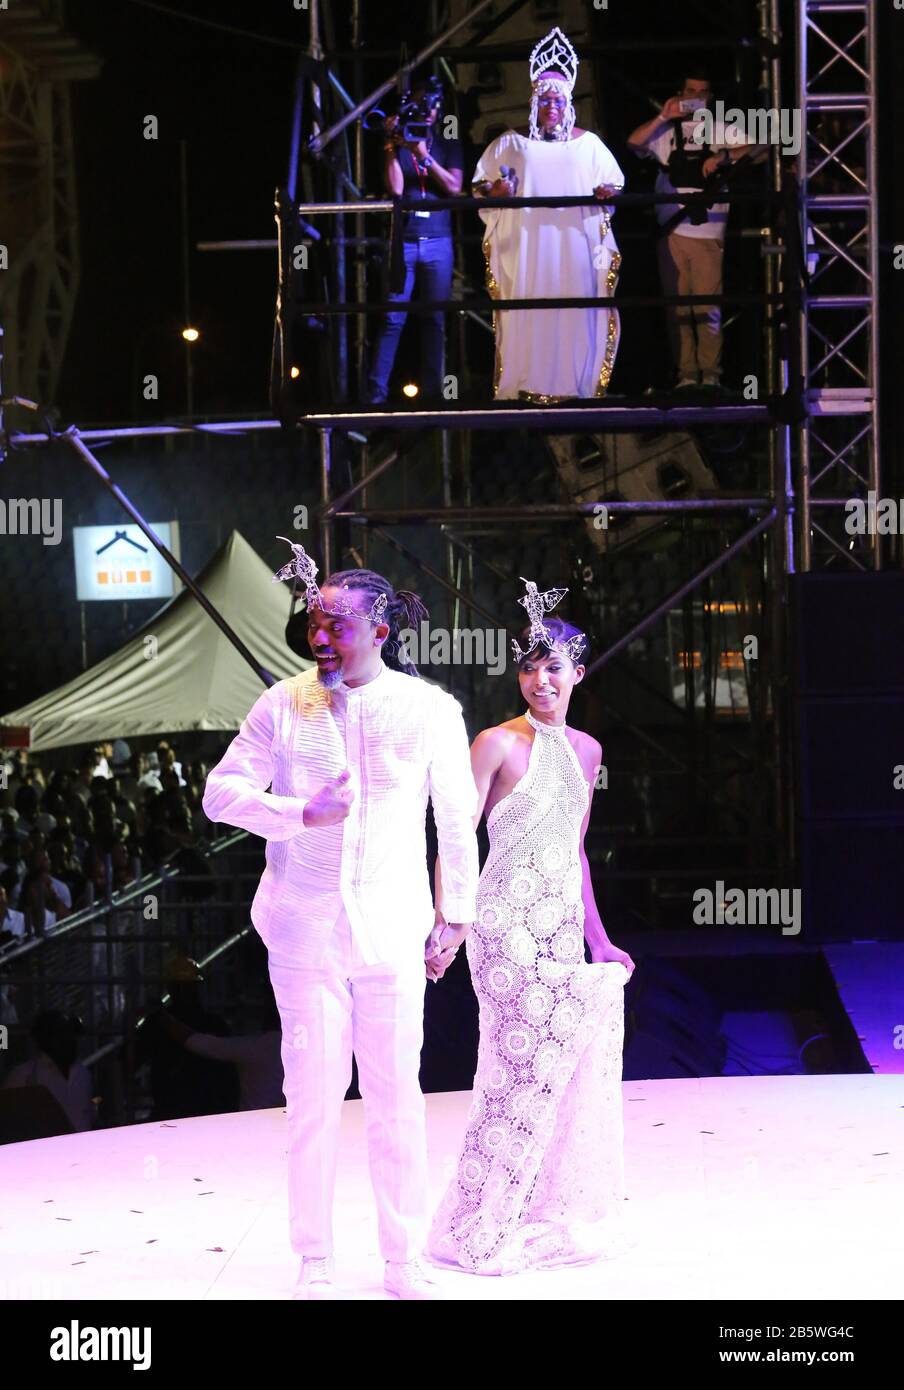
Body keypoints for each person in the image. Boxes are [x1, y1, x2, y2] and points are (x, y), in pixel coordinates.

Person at [202, 538, 479, 1301]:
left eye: (337, 625)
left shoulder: (429, 709)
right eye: (314, 622)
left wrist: (456, 914)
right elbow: (219, 795)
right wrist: (299, 812)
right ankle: (315, 1259)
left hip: (392, 928)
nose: (319, 637)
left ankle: (402, 1259)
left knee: (398, 1098)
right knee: (312, 1098)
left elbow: (456, 818)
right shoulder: (281, 704)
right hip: (303, 932)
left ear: (381, 632)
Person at [427, 579, 635, 1274]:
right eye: (529, 665)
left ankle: (534, 1207)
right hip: (504, 926)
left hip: (559, 925)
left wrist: (598, 940)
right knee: (515, 1072)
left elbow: (572, 852)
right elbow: (455, 841)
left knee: (560, 1065)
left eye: (554, 666)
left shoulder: (588, 752)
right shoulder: (494, 742)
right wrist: (448, 925)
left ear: (579, 671)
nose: (540, 678)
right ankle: (478, 1219)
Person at [472, 26, 623, 401]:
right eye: (544, 101)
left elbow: (613, 186)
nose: (551, 108)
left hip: (575, 246)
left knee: (575, 308)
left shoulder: (589, 145)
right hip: (529, 247)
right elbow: (482, 187)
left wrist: (606, 194)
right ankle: (525, 384)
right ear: (534, 104)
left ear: (568, 104)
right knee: (530, 309)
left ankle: (576, 386)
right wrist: (498, 191)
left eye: (558, 101)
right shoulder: (511, 143)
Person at [626, 69, 761, 390]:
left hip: (706, 233)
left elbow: (763, 147)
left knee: (706, 308)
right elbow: (633, 144)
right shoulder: (668, 129)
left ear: (710, 97)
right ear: (680, 91)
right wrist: (663, 116)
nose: (695, 97)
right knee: (677, 309)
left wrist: (725, 156)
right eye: (690, 90)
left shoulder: (720, 129)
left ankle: (711, 376)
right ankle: (687, 375)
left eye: (702, 92)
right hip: (671, 231)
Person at [364, 78, 463, 405]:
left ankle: (434, 394)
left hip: (438, 240)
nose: (428, 111)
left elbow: (453, 187)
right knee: (393, 318)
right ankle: (375, 395)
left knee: (434, 319)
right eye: (422, 105)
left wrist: (423, 155)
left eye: (433, 105)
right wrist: (392, 146)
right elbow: (394, 189)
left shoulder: (447, 140)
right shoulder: (399, 139)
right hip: (403, 239)